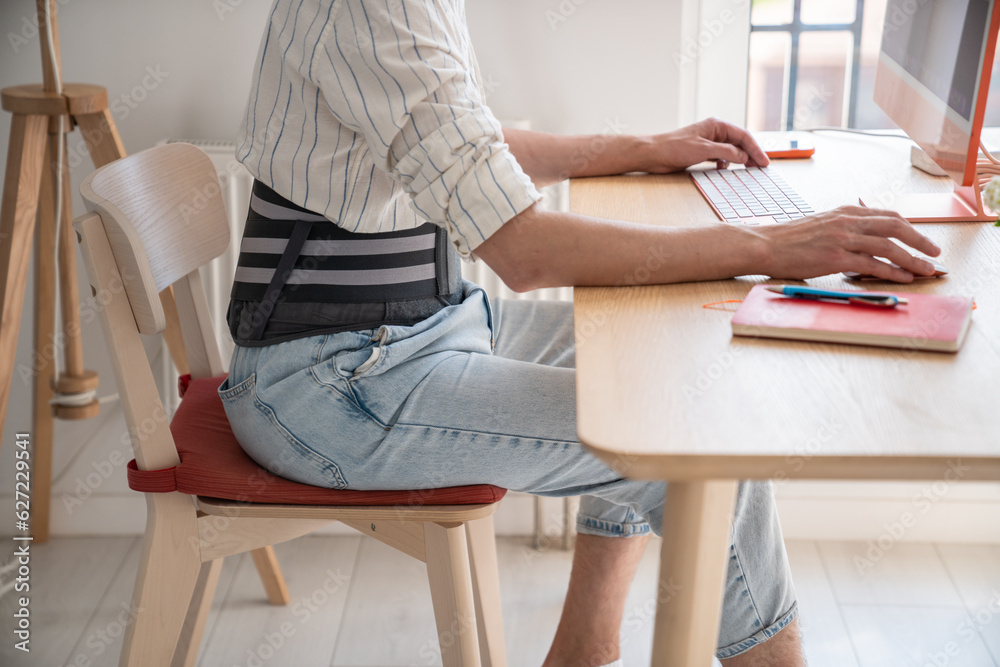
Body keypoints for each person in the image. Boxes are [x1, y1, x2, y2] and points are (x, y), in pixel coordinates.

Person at [221, 1, 942, 665]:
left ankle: (580, 651)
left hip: (418, 331)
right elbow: (525, 253)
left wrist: (641, 147)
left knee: (646, 353)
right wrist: (767, 247)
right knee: (702, 445)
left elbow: (466, 141)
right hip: (329, 384)